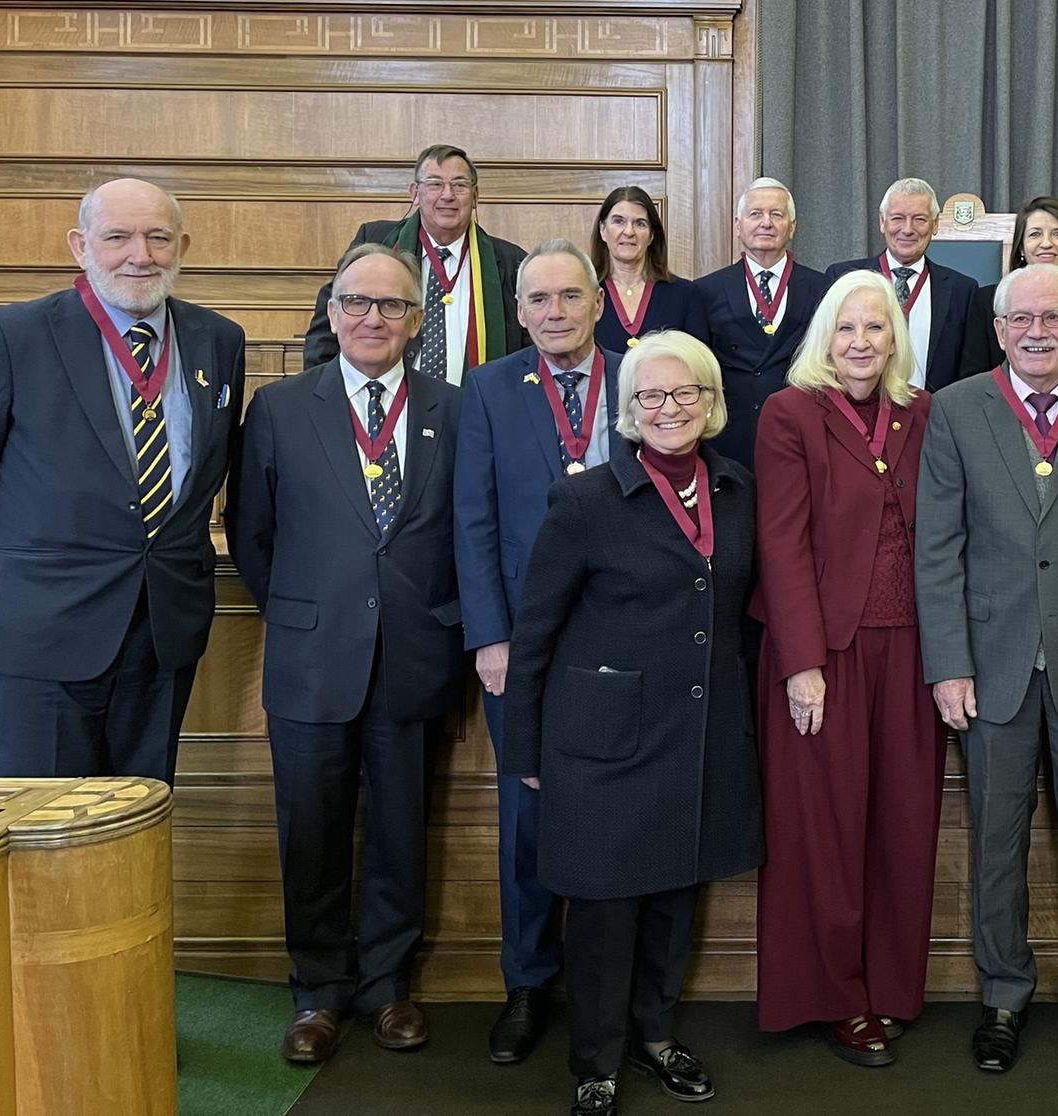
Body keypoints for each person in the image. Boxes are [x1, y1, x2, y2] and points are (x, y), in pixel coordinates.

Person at [500, 331, 763, 1116]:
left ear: (711, 405)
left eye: (686, 394)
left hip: (702, 728)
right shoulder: (583, 500)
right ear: (627, 411)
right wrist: (526, 747)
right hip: (605, 741)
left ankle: (654, 1035)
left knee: (675, 896)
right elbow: (536, 628)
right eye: (650, 395)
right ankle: (596, 1061)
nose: (668, 408)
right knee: (608, 913)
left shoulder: (735, 488)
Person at [915, 263, 1058, 1089]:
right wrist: (947, 663)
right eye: (1021, 319)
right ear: (999, 327)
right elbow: (936, 548)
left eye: (1056, 318)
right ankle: (1003, 998)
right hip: (990, 669)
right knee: (995, 843)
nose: (1038, 331)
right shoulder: (954, 409)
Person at [228, 244, 467, 1066]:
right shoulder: (281, 407)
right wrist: (301, 612)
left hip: (414, 656)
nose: (373, 318)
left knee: (402, 831)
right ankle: (318, 991)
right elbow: (253, 535)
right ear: (331, 314)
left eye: (393, 306)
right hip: (309, 656)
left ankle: (388, 987)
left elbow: (467, 534)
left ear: (416, 321)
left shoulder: (453, 408)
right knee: (313, 830)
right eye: (357, 303)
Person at [0, 179, 245, 782]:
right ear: (80, 246)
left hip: (164, 626)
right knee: (44, 830)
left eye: (157, 237)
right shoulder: (14, 335)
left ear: (182, 245)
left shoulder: (218, 340)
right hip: (42, 626)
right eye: (117, 237)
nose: (139, 255)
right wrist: (19, 557)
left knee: (139, 824)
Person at [752, 271, 943, 1064]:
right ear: (823, 337)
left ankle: (892, 989)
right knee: (822, 832)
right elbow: (782, 542)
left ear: (895, 337)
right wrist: (802, 661)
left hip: (913, 649)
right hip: (821, 652)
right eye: (846, 329)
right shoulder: (789, 412)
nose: (861, 343)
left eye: (876, 328)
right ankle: (834, 997)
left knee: (905, 824)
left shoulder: (923, 411)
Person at [453, 239, 623, 1065]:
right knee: (525, 816)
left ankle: (609, 988)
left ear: (599, 302)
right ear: (518, 312)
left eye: (569, 297)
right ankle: (527, 981)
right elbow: (472, 518)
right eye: (538, 301)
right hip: (521, 643)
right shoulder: (486, 389)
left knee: (619, 811)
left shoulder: (643, 372)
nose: (554, 313)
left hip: (626, 641)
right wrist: (488, 633)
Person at [303, 143, 528, 382]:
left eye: (459, 185)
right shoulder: (377, 243)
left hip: (477, 407)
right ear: (415, 193)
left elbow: (528, 352)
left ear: (475, 196)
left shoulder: (509, 262)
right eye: (435, 184)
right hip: (390, 405)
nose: (447, 195)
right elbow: (328, 328)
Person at [696, 178, 825, 468]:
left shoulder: (822, 288)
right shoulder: (705, 291)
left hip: (799, 434)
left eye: (776, 215)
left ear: (792, 226)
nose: (766, 223)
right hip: (727, 438)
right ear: (738, 224)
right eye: (756, 214)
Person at [827, 178, 977, 392]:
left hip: (932, 416)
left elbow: (967, 373)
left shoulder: (962, 291)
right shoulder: (844, 278)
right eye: (897, 218)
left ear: (935, 225)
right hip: (858, 413)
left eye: (919, 219)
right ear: (882, 222)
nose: (908, 229)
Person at [958, 195, 1058, 378]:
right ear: (1020, 247)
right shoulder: (985, 301)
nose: (1046, 243)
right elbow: (972, 377)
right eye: (1035, 234)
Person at [589, 184, 710, 358]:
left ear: (652, 235)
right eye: (618, 221)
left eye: (640, 223)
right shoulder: (585, 292)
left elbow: (699, 364)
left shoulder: (685, 294)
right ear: (602, 230)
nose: (629, 231)